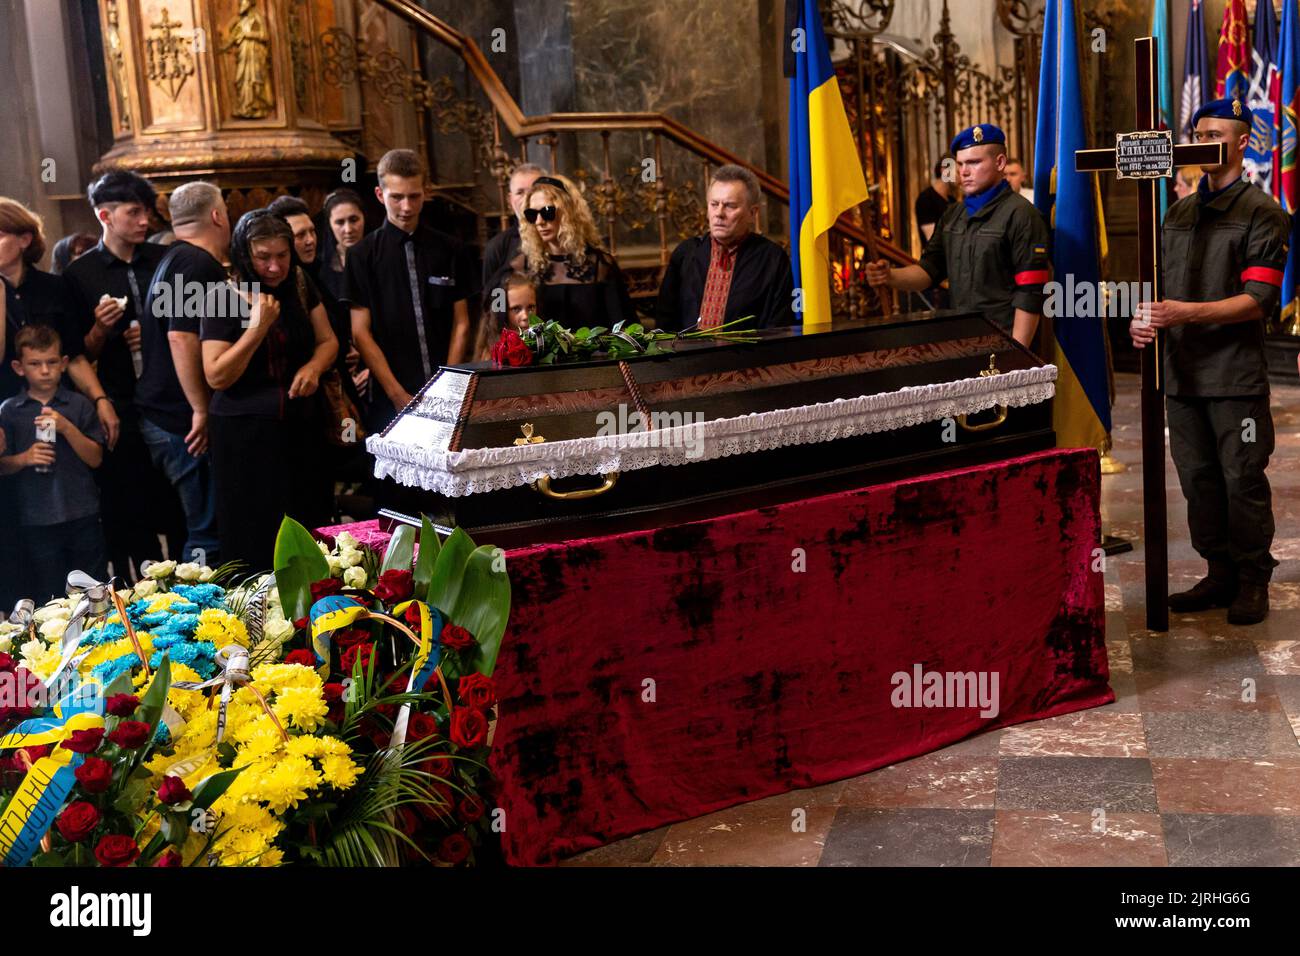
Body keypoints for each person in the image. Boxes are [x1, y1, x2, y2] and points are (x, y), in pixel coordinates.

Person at [1130, 97, 1290, 625]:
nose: (1202, 141)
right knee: (1197, 480)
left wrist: (1182, 313)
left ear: (1244, 142)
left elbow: (1258, 301)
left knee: (1240, 479)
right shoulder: (1177, 212)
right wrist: (1144, 318)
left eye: (1215, 133)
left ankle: (1250, 580)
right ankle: (1218, 573)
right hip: (1180, 375)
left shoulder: (1262, 213)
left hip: (1233, 380)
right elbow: (1157, 291)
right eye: (1196, 132)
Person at [202, 210, 338, 567]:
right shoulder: (222, 294)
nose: (275, 267)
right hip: (245, 436)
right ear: (246, 255)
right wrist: (257, 328)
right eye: (264, 258)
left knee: (309, 523)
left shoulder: (300, 282)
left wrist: (314, 366)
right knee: (256, 534)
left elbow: (328, 341)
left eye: (282, 255)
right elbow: (216, 376)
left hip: (301, 428)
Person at [65, 170, 183, 580]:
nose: (144, 221)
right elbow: (75, 354)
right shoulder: (79, 275)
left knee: (175, 502)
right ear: (105, 216)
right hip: (118, 401)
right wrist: (101, 329)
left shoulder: (164, 260)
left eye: (147, 212)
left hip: (170, 400)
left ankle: (188, 582)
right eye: (133, 212)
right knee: (130, 504)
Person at [865, 124, 1051, 349]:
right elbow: (928, 270)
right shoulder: (953, 214)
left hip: (1004, 344)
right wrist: (889, 276)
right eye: (960, 163)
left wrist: (1017, 355)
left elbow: (1030, 293)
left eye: (974, 162)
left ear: (1000, 163)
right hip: (962, 342)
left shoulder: (1022, 215)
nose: (963, 171)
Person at [345, 149, 473, 433]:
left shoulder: (451, 248)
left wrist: (448, 386)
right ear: (380, 195)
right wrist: (396, 394)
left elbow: (461, 322)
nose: (406, 207)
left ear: (425, 192)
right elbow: (360, 332)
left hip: (448, 391)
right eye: (397, 197)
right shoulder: (361, 256)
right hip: (389, 393)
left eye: (414, 196)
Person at [139, 181, 228, 565]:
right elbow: (180, 336)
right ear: (216, 215)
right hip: (182, 421)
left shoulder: (172, 258)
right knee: (207, 535)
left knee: (193, 530)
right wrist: (201, 409)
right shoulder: (198, 263)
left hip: (162, 415)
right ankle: (210, 623)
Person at [0, 197, 120, 447]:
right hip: (6, 407)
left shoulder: (54, 286)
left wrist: (100, 400)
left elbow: (74, 354)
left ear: (24, 240)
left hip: (57, 404)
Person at [0, 325, 106, 602]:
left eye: (51, 362)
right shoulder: (10, 411)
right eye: (35, 364)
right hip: (37, 518)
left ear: (63, 364)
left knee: (93, 589)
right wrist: (24, 458)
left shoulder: (78, 405)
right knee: (51, 595)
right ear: (19, 367)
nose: (44, 370)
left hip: (82, 512)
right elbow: (2, 466)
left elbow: (95, 458)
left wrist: (68, 429)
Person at [655, 164, 794, 332]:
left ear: (753, 213)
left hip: (750, 357)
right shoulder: (686, 254)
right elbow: (665, 323)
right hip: (689, 356)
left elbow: (778, 327)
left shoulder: (772, 259)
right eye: (714, 204)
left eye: (730, 206)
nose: (719, 213)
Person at [497, 173, 634, 333]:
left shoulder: (600, 265)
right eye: (532, 214)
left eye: (547, 212)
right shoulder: (521, 266)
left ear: (568, 212)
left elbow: (625, 326)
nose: (540, 221)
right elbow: (500, 320)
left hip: (596, 356)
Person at [482, 163, 546, 288]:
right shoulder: (498, 247)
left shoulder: (564, 238)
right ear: (510, 201)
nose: (528, 197)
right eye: (520, 192)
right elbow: (494, 296)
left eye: (535, 190)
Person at [475, 271, 539, 361]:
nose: (525, 316)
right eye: (516, 309)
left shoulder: (543, 346)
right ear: (501, 314)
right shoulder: (490, 356)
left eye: (531, 307)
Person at [914, 156, 955, 245]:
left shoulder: (952, 201)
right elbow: (932, 240)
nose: (961, 174)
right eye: (957, 170)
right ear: (944, 170)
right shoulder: (926, 199)